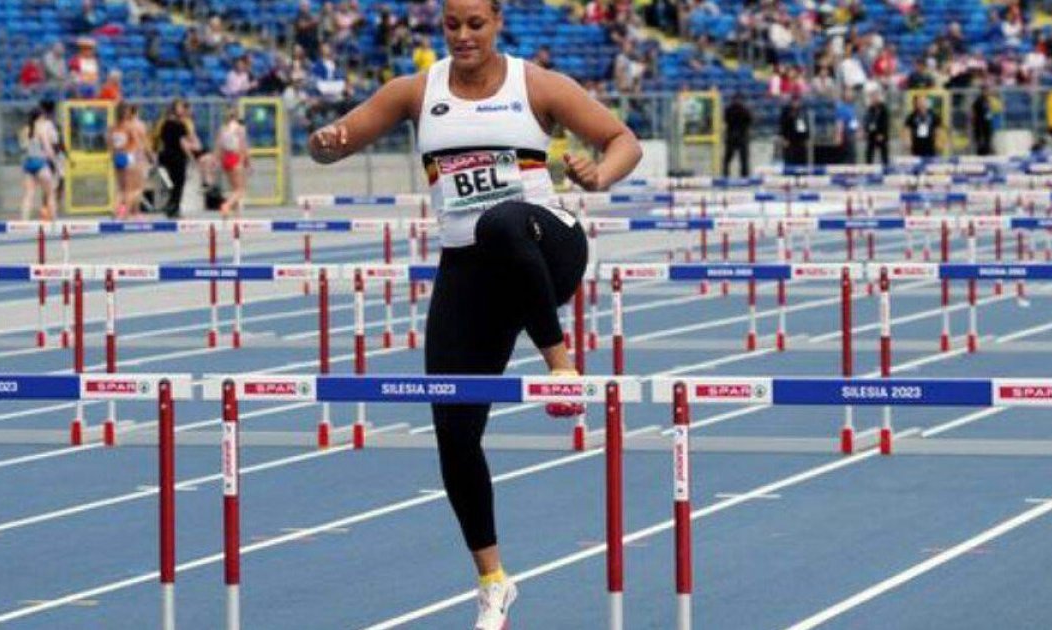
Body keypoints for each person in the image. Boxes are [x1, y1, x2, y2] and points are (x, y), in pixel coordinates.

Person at [306, 1, 641, 627]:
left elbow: (624, 140)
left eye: (475, 25)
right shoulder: (415, 91)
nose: (462, 36)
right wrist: (325, 144)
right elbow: (338, 141)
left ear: (496, 25)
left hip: (548, 247)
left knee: (504, 218)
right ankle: (493, 581)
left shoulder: (535, 84)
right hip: (470, 272)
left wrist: (600, 176)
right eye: (452, 26)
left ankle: (561, 368)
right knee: (454, 433)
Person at [154, 99, 200, 218]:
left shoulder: (164, 123)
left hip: (165, 155)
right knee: (179, 183)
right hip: (177, 156)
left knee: (174, 183)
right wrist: (192, 157)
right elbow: (183, 143)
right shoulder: (179, 125)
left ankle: (171, 205)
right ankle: (174, 207)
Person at [108, 102, 149, 219]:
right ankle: (124, 213)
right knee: (134, 189)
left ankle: (117, 210)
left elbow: (110, 144)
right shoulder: (130, 126)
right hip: (128, 156)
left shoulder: (112, 127)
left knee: (121, 189)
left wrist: (113, 155)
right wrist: (142, 155)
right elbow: (138, 143)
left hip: (117, 156)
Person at [19, 108, 58, 221]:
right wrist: (53, 161)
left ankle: (24, 220)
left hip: (28, 164)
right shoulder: (40, 130)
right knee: (50, 193)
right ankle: (54, 220)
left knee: (28, 195)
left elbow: (23, 147)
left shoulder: (24, 131)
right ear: (40, 117)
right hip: (40, 163)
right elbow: (47, 148)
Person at [215, 108, 249, 217]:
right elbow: (243, 146)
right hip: (235, 157)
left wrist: (218, 160)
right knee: (240, 190)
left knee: (233, 188)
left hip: (226, 158)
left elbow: (219, 146)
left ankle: (237, 215)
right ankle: (226, 205)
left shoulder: (222, 129)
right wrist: (245, 161)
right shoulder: (239, 129)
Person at [722, 92, 752, 177]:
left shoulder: (729, 109)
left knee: (740, 159)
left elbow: (726, 120)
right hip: (738, 136)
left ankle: (741, 175)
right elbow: (750, 121)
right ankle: (741, 175)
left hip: (735, 135)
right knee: (732, 158)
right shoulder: (744, 110)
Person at [778, 94, 810, 167]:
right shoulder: (786, 111)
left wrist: (806, 138)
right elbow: (782, 125)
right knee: (789, 160)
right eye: (795, 101)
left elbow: (804, 127)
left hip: (800, 140)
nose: (796, 103)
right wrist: (784, 138)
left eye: (798, 101)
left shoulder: (801, 112)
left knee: (801, 161)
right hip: (789, 140)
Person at [864, 88, 890, 166]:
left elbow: (886, 122)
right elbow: (867, 121)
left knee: (884, 154)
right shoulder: (870, 109)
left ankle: (886, 169)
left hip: (881, 134)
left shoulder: (883, 108)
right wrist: (866, 130)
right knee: (869, 153)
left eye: (875, 96)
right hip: (872, 134)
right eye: (872, 97)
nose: (873, 99)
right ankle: (868, 168)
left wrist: (882, 133)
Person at [834, 89, 860, 164]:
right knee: (847, 156)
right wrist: (839, 135)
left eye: (851, 93)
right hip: (846, 134)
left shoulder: (851, 107)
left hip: (852, 134)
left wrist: (857, 131)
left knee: (853, 156)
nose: (850, 95)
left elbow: (854, 120)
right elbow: (840, 122)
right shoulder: (841, 107)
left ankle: (852, 173)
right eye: (848, 93)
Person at [971, 85, 997, 156]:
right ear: (982, 91)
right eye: (985, 91)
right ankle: (981, 151)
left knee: (988, 137)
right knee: (980, 138)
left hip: (987, 122)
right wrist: (974, 122)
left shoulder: (987, 100)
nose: (987, 92)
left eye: (987, 91)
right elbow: (973, 112)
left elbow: (989, 111)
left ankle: (987, 150)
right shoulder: (978, 101)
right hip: (979, 123)